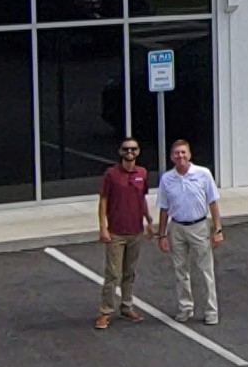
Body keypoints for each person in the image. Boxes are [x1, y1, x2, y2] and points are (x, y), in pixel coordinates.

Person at [154, 137, 223, 326]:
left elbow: (213, 202)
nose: (180, 156)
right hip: (176, 228)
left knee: (206, 271)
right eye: (177, 153)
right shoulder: (167, 179)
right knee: (180, 270)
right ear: (171, 157)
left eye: (184, 152)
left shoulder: (203, 174)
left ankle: (211, 311)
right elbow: (163, 208)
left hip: (199, 226)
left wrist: (217, 229)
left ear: (190, 154)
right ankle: (185, 308)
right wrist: (162, 234)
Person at [95, 137, 149, 330]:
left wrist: (149, 221)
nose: (130, 153)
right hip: (116, 232)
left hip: (136, 231)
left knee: (130, 272)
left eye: (133, 149)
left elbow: (142, 199)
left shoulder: (142, 173)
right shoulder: (111, 174)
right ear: (120, 152)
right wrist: (103, 227)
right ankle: (105, 312)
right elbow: (103, 200)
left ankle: (126, 307)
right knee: (113, 274)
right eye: (126, 149)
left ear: (138, 152)